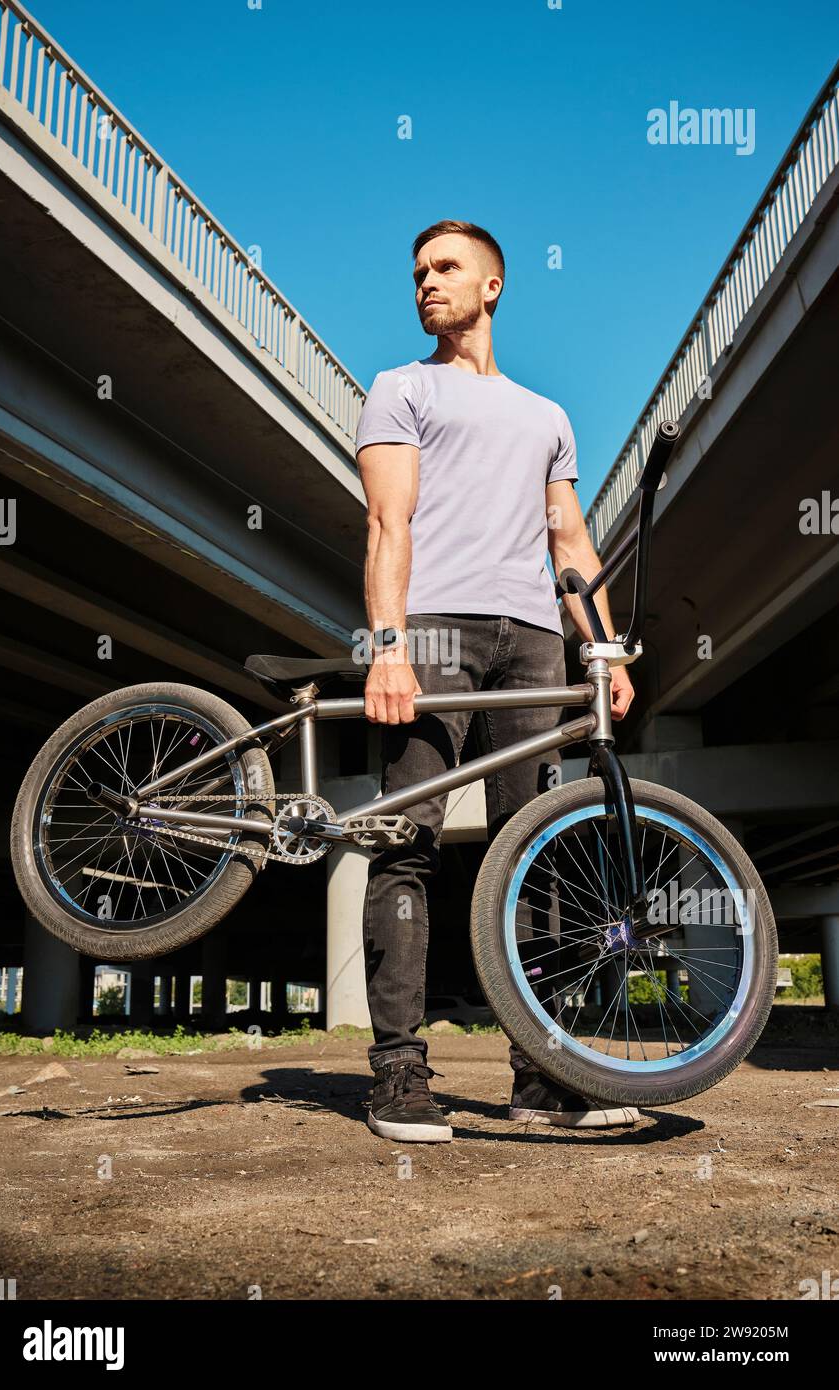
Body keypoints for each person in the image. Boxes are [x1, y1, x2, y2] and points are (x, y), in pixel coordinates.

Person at [355, 219, 637, 1143]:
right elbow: (386, 526)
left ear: (493, 285)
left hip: (531, 641)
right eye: (417, 272)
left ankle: (542, 1079)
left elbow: (569, 543)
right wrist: (387, 647)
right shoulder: (401, 388)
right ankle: (398, 1073)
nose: (426, 283)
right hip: (433, 629)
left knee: (535, 851)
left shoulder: (546, 415)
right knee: (408, 839)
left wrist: (602, 648)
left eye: (446, 268)